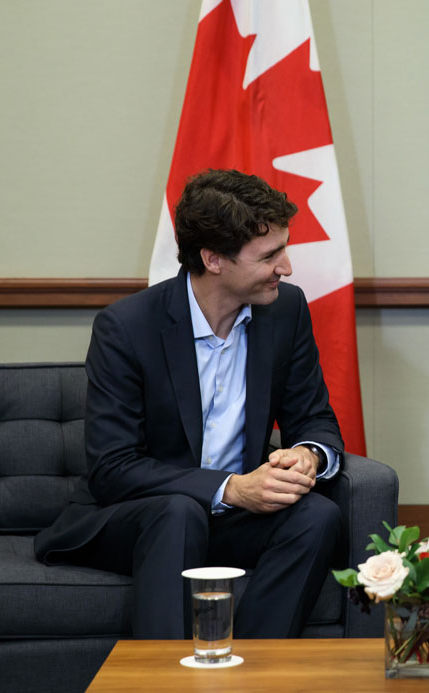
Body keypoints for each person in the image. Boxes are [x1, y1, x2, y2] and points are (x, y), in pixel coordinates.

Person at [35, 169, 343, 639]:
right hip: (140, 518)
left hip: (231, 520)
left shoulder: (285, 311)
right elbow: (113, 468)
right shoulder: (127, 328)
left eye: (284, 249)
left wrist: (308, 454)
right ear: (214, 259)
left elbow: (314, 418)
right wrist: (231, 488)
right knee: (178, 512)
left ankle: (256, 674)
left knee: (317, 516)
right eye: (270, 255)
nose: (287, 267)